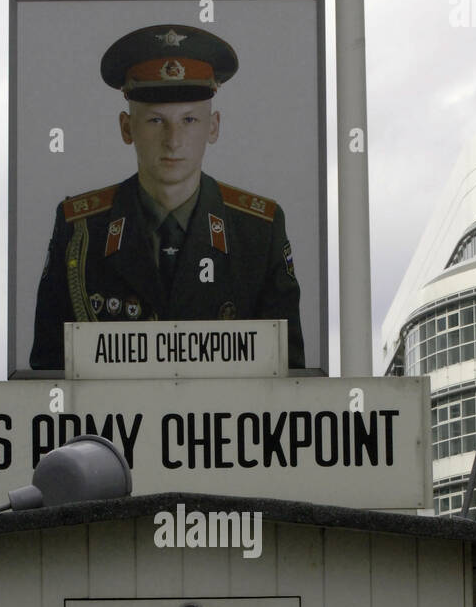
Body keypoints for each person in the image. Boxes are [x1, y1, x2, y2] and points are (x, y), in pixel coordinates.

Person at [30, 23, 305, 371]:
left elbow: (292, 383)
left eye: (189, 120)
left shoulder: (258, 230)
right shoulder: (81, 228)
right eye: (156, 121)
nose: (173, 140)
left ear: (214, 126)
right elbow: (46, 377)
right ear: (127, 128)